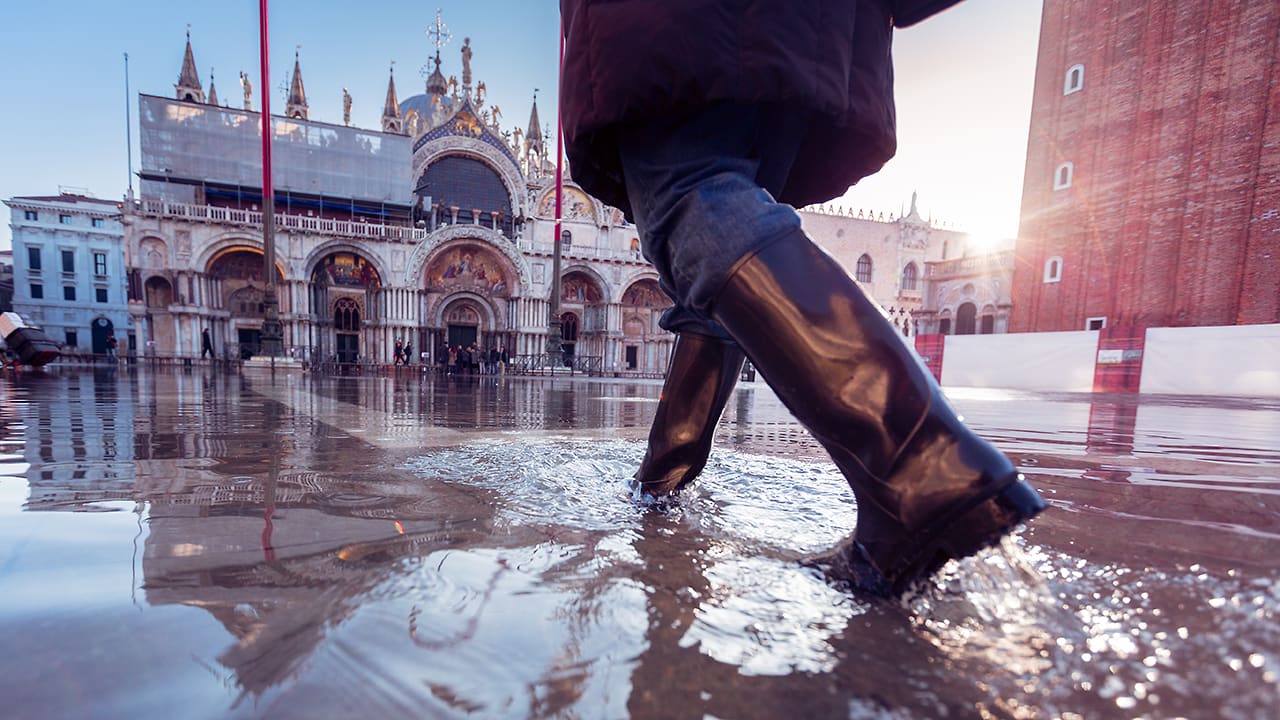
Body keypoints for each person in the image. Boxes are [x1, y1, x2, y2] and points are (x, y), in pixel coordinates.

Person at [560, 0, 1044, 595]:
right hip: (801, 28)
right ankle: (662, 479)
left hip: (682, 21)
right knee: (714, 239)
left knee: (689, 196)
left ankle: (922, 467)